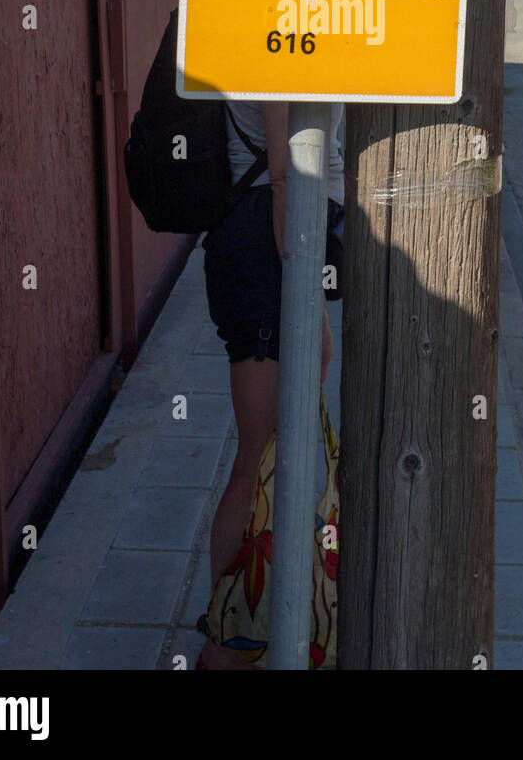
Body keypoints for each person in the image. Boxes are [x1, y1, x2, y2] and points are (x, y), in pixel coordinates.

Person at [197, 100, 344, 670]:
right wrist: (305, 288)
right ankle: (224, 646)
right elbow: (286, 175)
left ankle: (243, 630)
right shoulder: (275, 30)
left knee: (272, 448)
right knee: (256, 451)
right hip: (267, 243)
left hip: (273, 243)